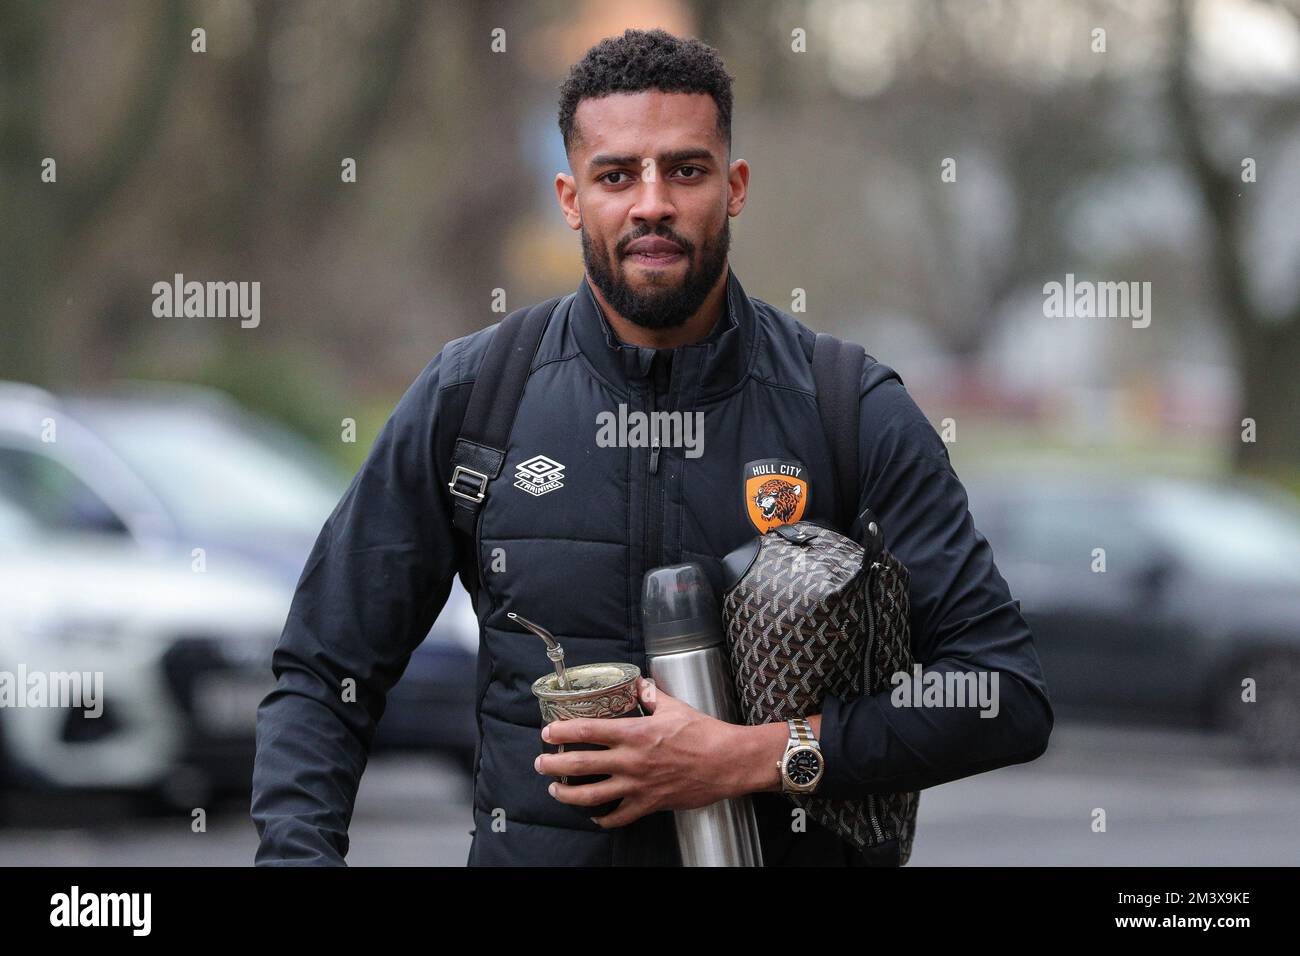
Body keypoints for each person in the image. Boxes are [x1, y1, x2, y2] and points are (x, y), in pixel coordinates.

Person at [251, 27, 1053, 867]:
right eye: (616, 174)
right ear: (569, 197)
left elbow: (1006, 694)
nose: (652, 203)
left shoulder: (848, 409)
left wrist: (745, 757)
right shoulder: (474, 400)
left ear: (734, 186)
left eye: (686, 169)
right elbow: (322, 674)